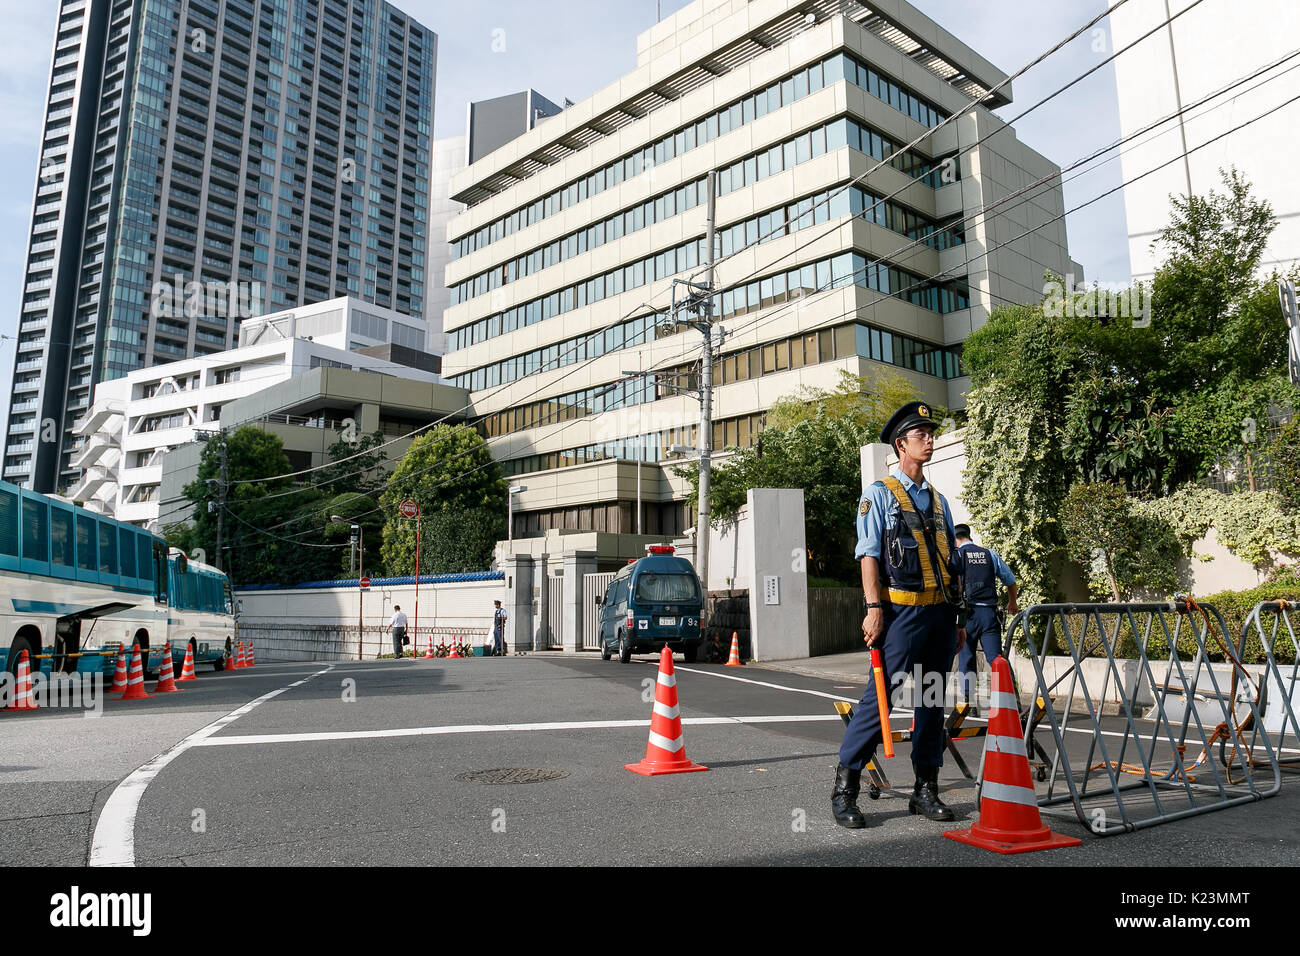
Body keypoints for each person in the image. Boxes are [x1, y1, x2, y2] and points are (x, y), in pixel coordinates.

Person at [833, 400, 966, 828]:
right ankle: (845, 789)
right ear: (900, 444)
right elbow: (868, 555)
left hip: (941, 618)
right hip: (901, 618)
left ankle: (925, 789)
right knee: (880, 701)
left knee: (931, 701)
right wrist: (874, 609)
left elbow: (952, 563)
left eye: (931, 433)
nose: (929, 439)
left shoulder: (940, 501)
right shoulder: (878, 495)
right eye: (920, 434)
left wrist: (958, 620)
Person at [953, 524, 1018, 714]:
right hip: (989, 615)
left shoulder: (958, 556)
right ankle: (1012, 700)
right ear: (969, 536)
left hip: (967, 616)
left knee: (966, 658)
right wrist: (1012, 603)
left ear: (956, 539)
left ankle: (969, 705)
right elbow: (1010, 580)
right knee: (997, 658)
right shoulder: (989, 554)